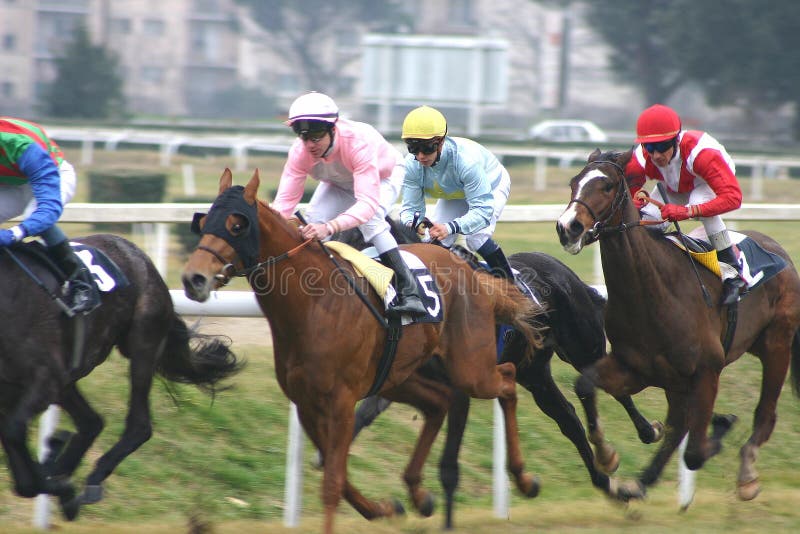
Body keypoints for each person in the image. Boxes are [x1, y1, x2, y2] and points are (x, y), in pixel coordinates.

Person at [272, 92, 426, 317]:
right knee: (313, 219)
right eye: (302, 135)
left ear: (332, 128)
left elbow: (365, 205)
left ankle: (410, 291)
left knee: (370, 221)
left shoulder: (357, 143)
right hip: (339, 181)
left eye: (316, 135)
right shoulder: (299, 152)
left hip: (384, 176)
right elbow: (283, 204)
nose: (309, 144)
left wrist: (331, 227)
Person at [625, 104, 748, 305]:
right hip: (675, 186)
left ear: (676, 139)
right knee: (648, 221)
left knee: (699, 203)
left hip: (706, 183)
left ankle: (733, 273)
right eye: (649, 147)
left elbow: (733, 198)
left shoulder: (701, 154)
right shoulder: (641, 157)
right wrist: (633, 203)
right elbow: (627, 194)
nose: (655, 155)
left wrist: (687, 211)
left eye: (662, 146)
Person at [399, 105, 513, 279]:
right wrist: (419, 227)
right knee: (433, 239)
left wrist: (450, 227)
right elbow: (410, 210)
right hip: (454, 193)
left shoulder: (466, 162)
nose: (421, 156)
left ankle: (511, 285)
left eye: (427, 147)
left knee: (476, 237)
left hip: (491, 185)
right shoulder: (411, 165)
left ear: (441, 142)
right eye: (413, 148)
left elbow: (482, 212)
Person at [0, 117, 99, 314]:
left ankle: (81, 283)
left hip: (53, 174)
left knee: (35, 217)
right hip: (10, 181)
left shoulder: (19, 145)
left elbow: (47, 210)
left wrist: (14, 234)